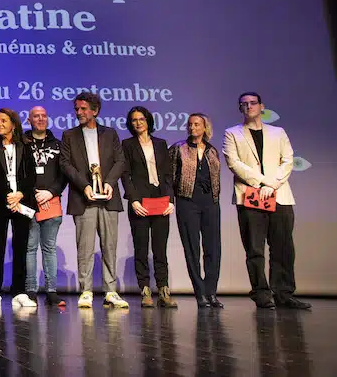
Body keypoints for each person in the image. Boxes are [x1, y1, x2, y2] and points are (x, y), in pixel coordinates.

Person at [223, 92, 311, 310]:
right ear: (239, 108)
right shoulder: (232, 133)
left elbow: (288, 160)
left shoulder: (278, 132)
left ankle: (284, 294)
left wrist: (271, 185)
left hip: (279, 195)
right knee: (254, 249)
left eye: (253, 103)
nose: (249, 107)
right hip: (250, 196)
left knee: (283, 247)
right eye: (244, 104)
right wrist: (261, 183)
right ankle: (261, 293)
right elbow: (234, 163)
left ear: (262, 107)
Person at [59, 91, 129, 309]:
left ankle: (110, 291)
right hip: (84, 198)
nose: (79, 113)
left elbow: (120, 161)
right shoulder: (69, 135)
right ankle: (86, 290)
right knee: (85, 248)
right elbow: (65, 164)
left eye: (83, 109)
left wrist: (109, 183)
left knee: (110, 246)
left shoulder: (110, 134)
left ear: (95, 111)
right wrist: (85, 186)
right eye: (77, 109)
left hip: (108, 197)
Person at [120, 105, 177, 308]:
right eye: (134, 120)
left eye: (141, 119)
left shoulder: (161, 144)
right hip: (140, 202)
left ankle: (163, 290)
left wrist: (171, 200)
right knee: (141, 248)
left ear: (148, 121)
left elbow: (168, 175)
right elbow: (125, 175)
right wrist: (133, 200)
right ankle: (145, 290)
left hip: (160, 200)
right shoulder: (126, 144)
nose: (138, 123)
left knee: (160, 249)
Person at [0, 107, 36, 309]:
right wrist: (9, 195)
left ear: (13, 124)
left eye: (3, 121)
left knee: (21, 247)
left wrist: (20, 194)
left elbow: (31, 175)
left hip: (21, 202)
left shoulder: (26, 146)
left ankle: (19, 291)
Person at [169, 113, 223, 308]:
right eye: (190, 124)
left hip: (210, 203)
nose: (193, 128)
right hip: (187, 202)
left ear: (205, 127)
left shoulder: (212, 150)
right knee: (192, 248)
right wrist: (171, 199)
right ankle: (200, 293)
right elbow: (170, 176)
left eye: (197, 124)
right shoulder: (178, 148)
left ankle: (211, 293)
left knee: (213, 249)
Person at [23, 106, 66, 308]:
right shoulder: (22, 144)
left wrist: (51, 192)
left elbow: (64, 173)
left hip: (52, 201)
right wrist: (32, 194)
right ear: (29, 120)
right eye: (36, 116)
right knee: (30, 247)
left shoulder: (58, 144)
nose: (40, 119)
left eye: (43, 115)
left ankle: (51, 291)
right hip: (29, 203)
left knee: (49, 248)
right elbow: (18, 172)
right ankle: (30, 289)